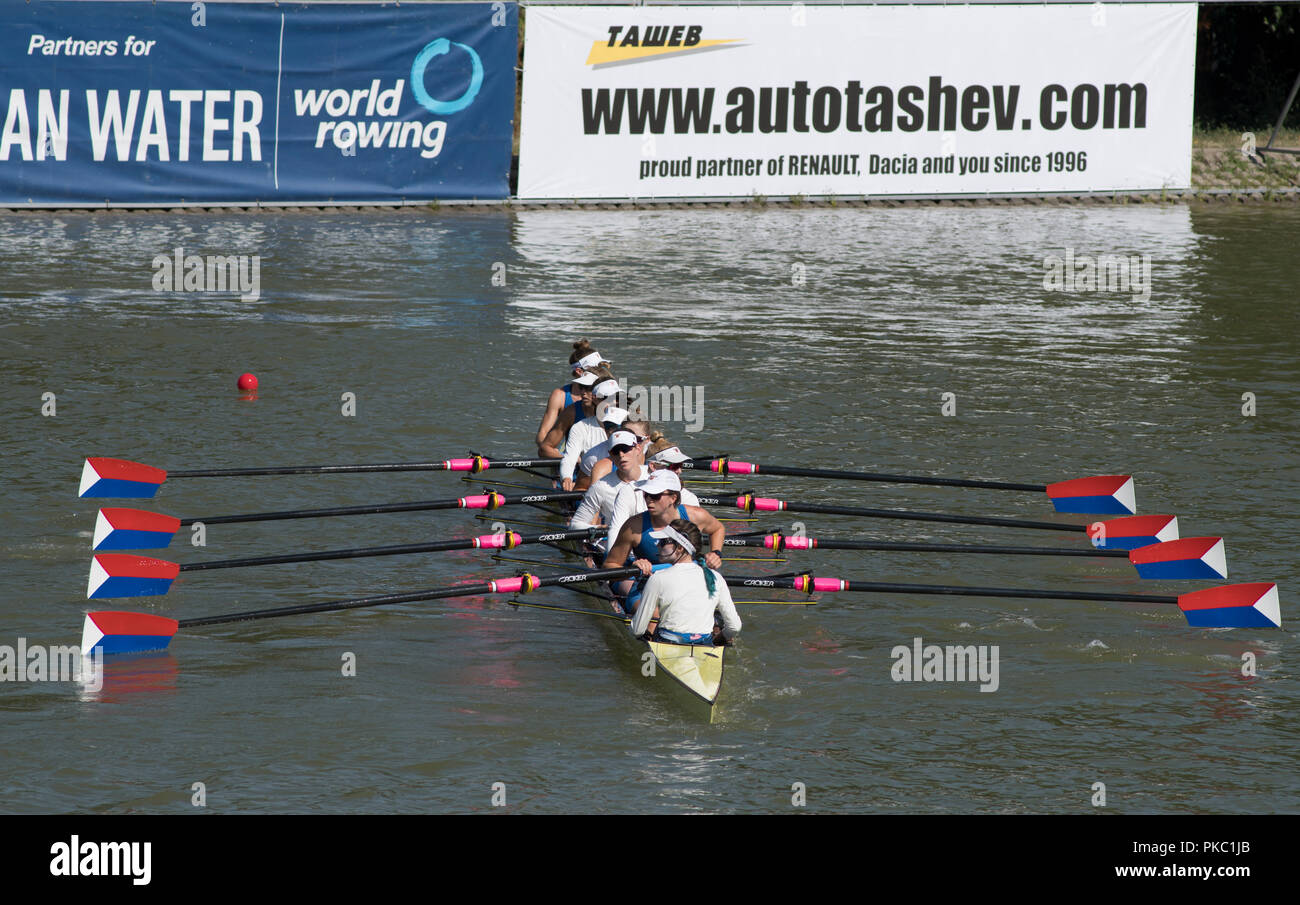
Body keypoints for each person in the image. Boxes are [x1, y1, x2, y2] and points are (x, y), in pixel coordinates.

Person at [602, 470, 725, 611]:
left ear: (673, 497)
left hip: (687, 581)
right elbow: (609, 565)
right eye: (646, 494)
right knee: (659, 615)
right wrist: (637, 568)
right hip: (647, 584)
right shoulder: (634, 527)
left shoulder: (696, 516)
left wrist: (716, 553)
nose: (648, 500)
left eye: (655, 495)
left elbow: (718, 529)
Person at [629, 519, 741, 646]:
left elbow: (637, 630)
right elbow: (735, 626)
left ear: (680, 548)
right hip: (705, 644)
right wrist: (718, 640)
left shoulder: (658, 578)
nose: (657, 545)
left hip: (668, 643)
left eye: (663, 541)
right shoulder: (716, 577)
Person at [602, 438, 698, 553]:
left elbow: (695, 541)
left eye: (680, 465)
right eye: (673, 466)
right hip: (636, 558)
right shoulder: (629, 491)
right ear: (653, 466)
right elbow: (616, 530)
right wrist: (613, 563)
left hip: (677, 557)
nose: (679, 471)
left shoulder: (690, 498)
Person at [536, 340, 610, 458]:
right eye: (596, 367)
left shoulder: (611, 394)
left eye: (601, 367)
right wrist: (557, 455)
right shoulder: (560, 396)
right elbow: (543, 436)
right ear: (579, 371)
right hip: (572, 451)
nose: (602, 372)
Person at [559, 376, 621, 491]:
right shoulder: (581, 427)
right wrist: (566, 477)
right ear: (595, 399)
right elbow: (570, 458)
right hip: (590, 483)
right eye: (606, 398)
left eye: (616, 397)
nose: (613, 402)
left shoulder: (629, 423)